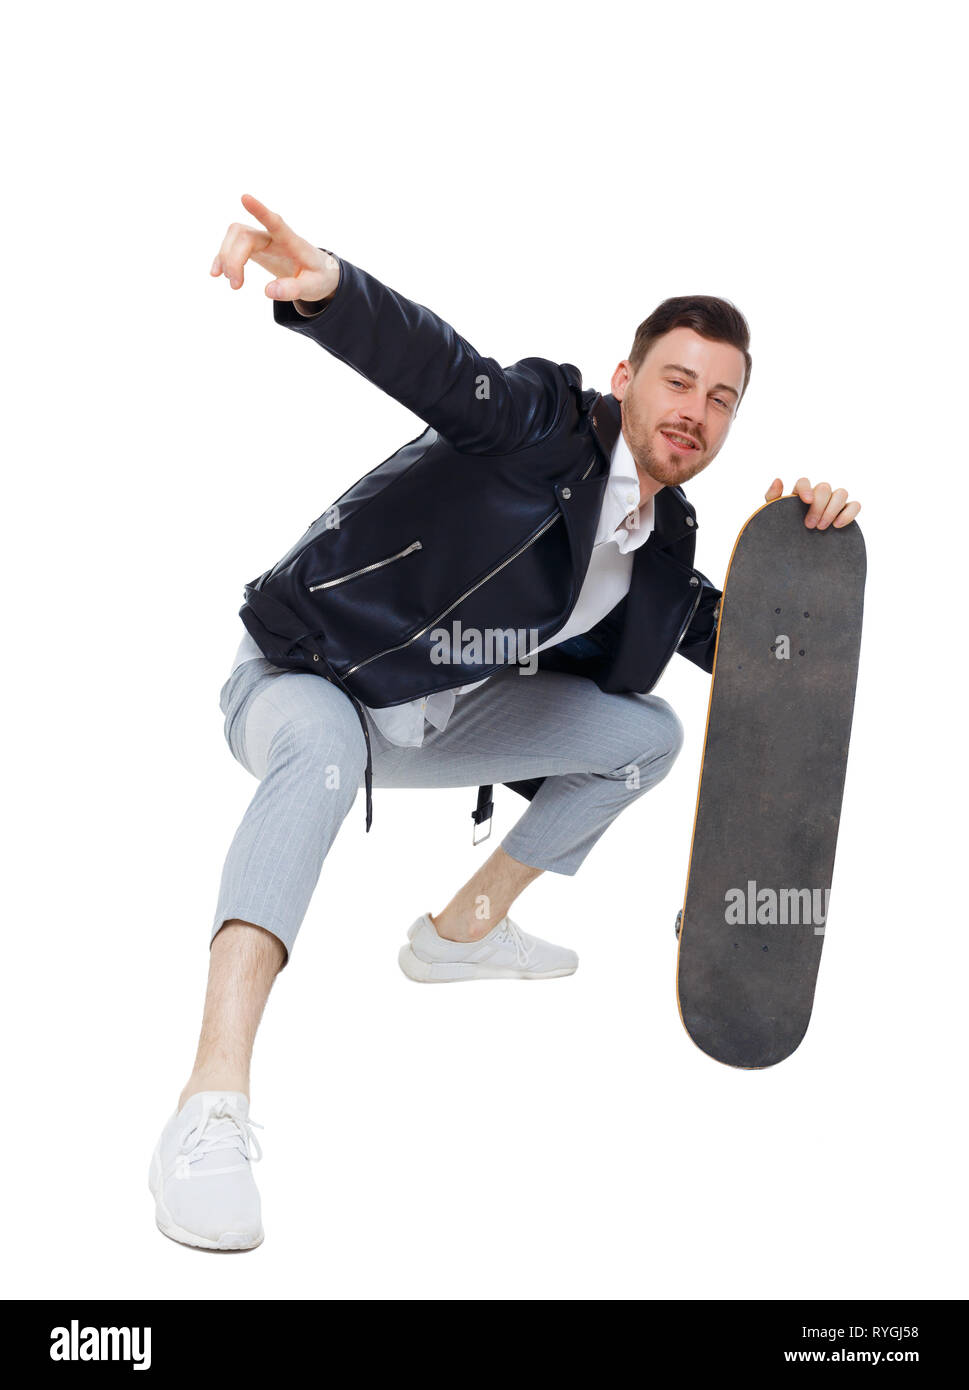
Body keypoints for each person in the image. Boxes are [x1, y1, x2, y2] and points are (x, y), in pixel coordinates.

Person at [148, 194, 861, 1251]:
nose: (695, 412)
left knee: (647, 738)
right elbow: (440, 366)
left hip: (429, 724)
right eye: (677, 381)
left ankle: (463, 932)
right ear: (625, 379)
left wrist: (798, 556)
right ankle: (208, 1107)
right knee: (325, 752)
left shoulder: (665, 539)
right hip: (307, 671)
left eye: (721, 399)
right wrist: (333, 291)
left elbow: (752, 656)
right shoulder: (541, 424)